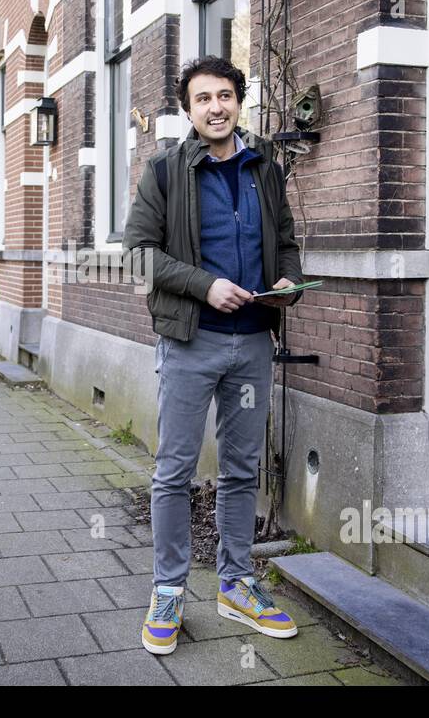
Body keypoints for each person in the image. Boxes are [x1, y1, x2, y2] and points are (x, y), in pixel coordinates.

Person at [123, 55, 305, 654]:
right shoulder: (166, 171)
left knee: (239, 469)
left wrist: (288, 283)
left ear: (238, 100)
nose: (216, 107)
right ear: (188, 109)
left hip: (254, 341)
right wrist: (205, 285)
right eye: (203, 99)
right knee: (173, 471)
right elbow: (138, 256)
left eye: (225, 96)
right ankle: (169, 591)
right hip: (190, 341)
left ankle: (236, 583)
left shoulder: (264, 168)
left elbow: (286, 241)